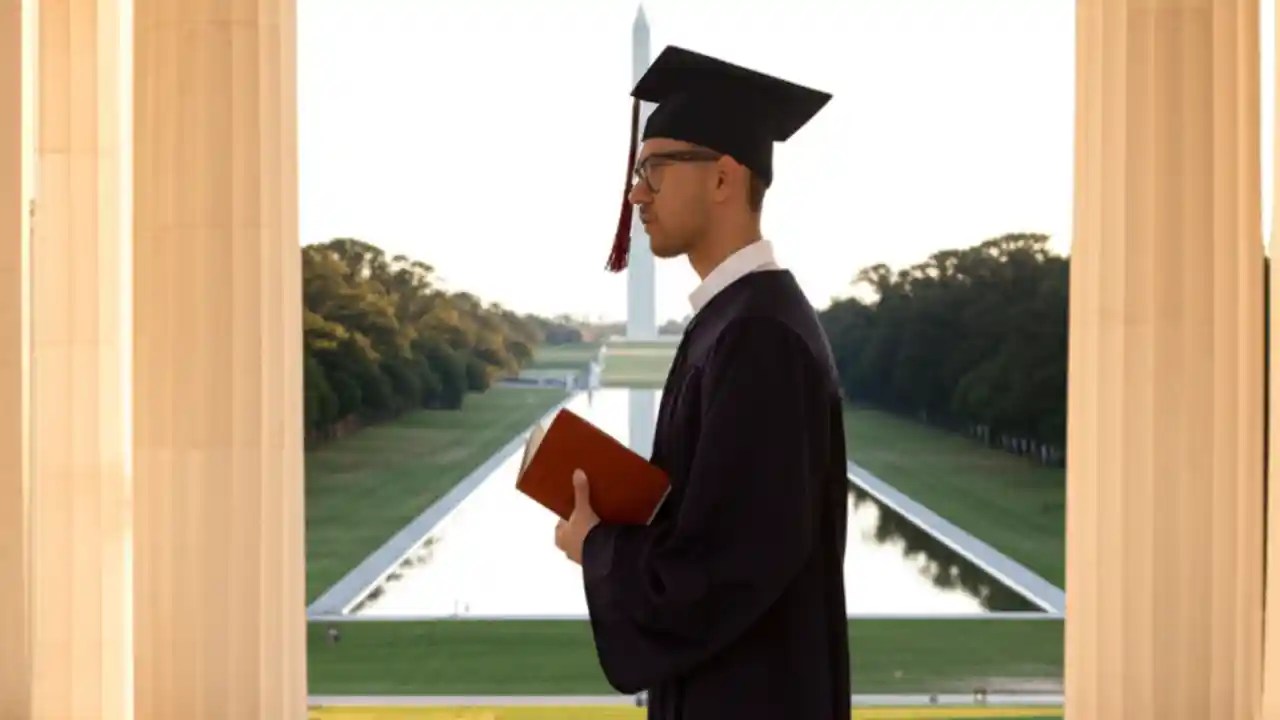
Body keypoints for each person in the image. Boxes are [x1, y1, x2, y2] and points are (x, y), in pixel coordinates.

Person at [553, 45, 851, 719]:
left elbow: (729, 564)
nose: (636, 194)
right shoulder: (736, 320)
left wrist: (597, 547)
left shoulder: (758, 337)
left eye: (654, 170)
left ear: (723, 178)